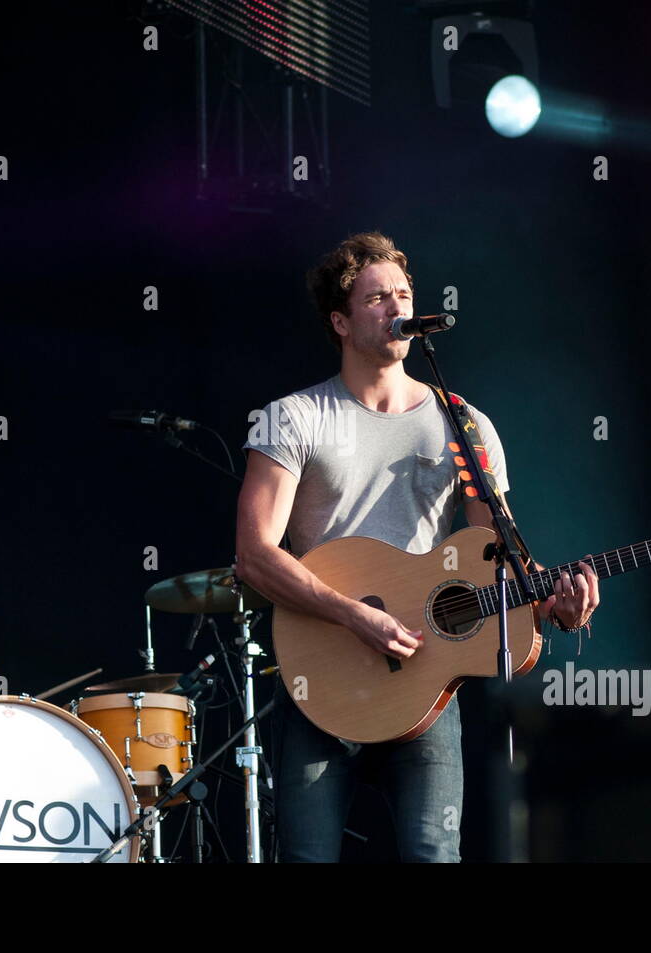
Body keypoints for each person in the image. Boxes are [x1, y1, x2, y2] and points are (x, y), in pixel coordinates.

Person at [235, 231, 601, 862]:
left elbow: (499, 553)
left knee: (435, 854)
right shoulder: (293, 418)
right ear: (340, 321)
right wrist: (355, 614)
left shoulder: (463, 423)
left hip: (425, 681)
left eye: (403, 293)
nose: (396, 306)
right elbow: (256, 555)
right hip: (322, 674)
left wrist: (552, 604)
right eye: (377, 298)